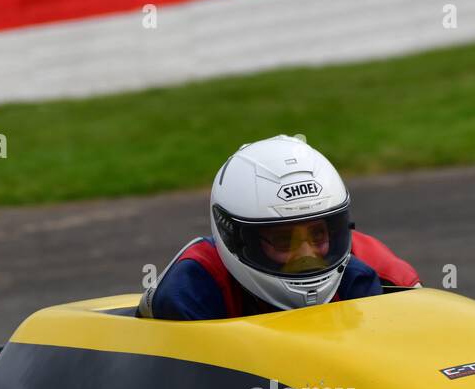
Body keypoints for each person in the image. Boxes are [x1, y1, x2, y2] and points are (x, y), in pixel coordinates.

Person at [138, 135, 418, 320]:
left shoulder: (378, 278)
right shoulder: (192, 288)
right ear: (235, 238)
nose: (306, 255)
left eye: (317, 234)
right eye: (284, 240)